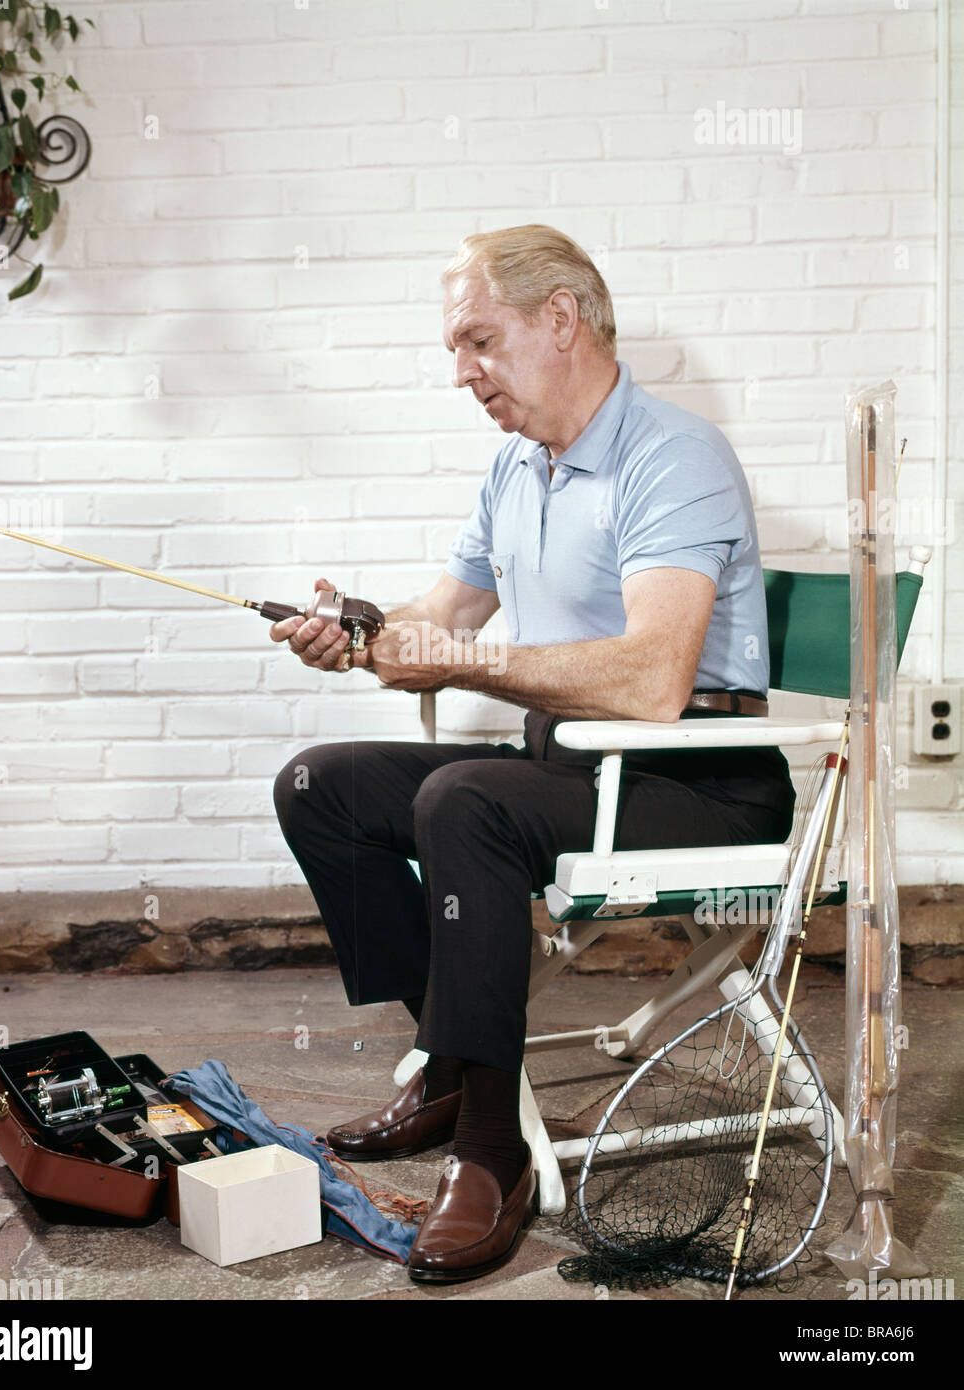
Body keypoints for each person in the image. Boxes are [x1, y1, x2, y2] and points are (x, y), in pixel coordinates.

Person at [271, 225, 795, 1285]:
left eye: (478, 341)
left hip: (696, 781)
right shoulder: (518, 464)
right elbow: (441, 614)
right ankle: (465, 1065)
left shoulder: (672, 454)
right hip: (571, 770)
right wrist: (357, 633)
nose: (461, 371)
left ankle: (491, 1153)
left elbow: (654, 679)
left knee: (463, 799)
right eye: (455, 349)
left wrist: (460, 658)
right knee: (320, 784)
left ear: (560, 318)